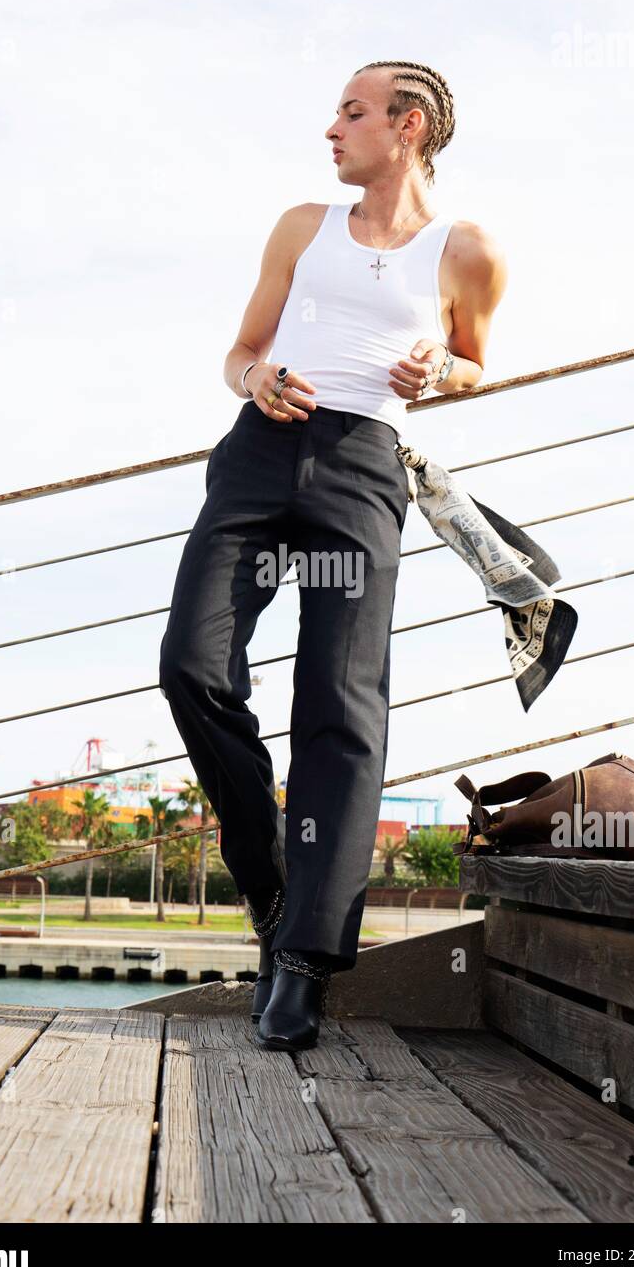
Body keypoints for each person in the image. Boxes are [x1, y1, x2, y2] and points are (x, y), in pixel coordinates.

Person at [159, 59, 507, 1051]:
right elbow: (239, 349)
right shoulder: (299, 226)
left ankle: (303, 961)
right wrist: (256, 376)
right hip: (259, 455)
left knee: (338, 706)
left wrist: (444, 366)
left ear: (406, 126)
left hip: (362, 470)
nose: (330, 129)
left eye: (349, 112)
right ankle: (272, 885)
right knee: (191, 665)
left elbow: (475, 359)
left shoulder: (465, 249)